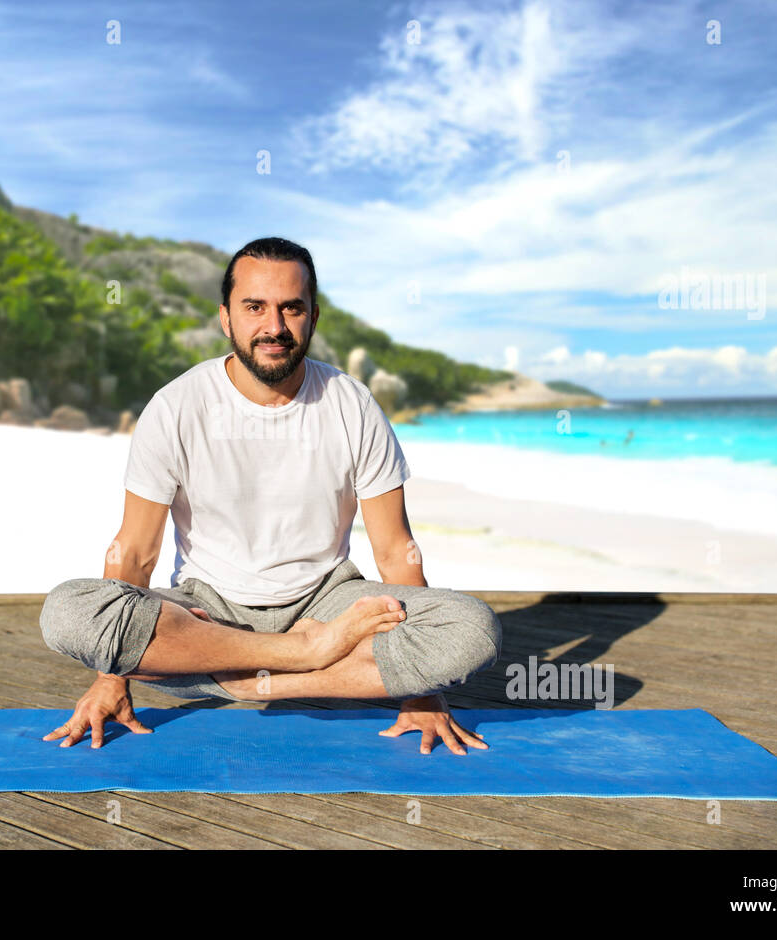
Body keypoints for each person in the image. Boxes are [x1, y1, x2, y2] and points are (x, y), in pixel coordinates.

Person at [39, 237, 502, 754]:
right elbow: (135, 552)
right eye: (254, 307)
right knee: (70, 611)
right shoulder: (175, 406)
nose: (274, 326)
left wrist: (424, 693)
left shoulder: (352, 403)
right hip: (207, 615)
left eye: (291, 308)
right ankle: (304, 657)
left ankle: (254, 681)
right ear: (225, 317)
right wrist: (111, 680)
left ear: (313, 316)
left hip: (327, 603)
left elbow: (396, 550)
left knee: (471, 629)